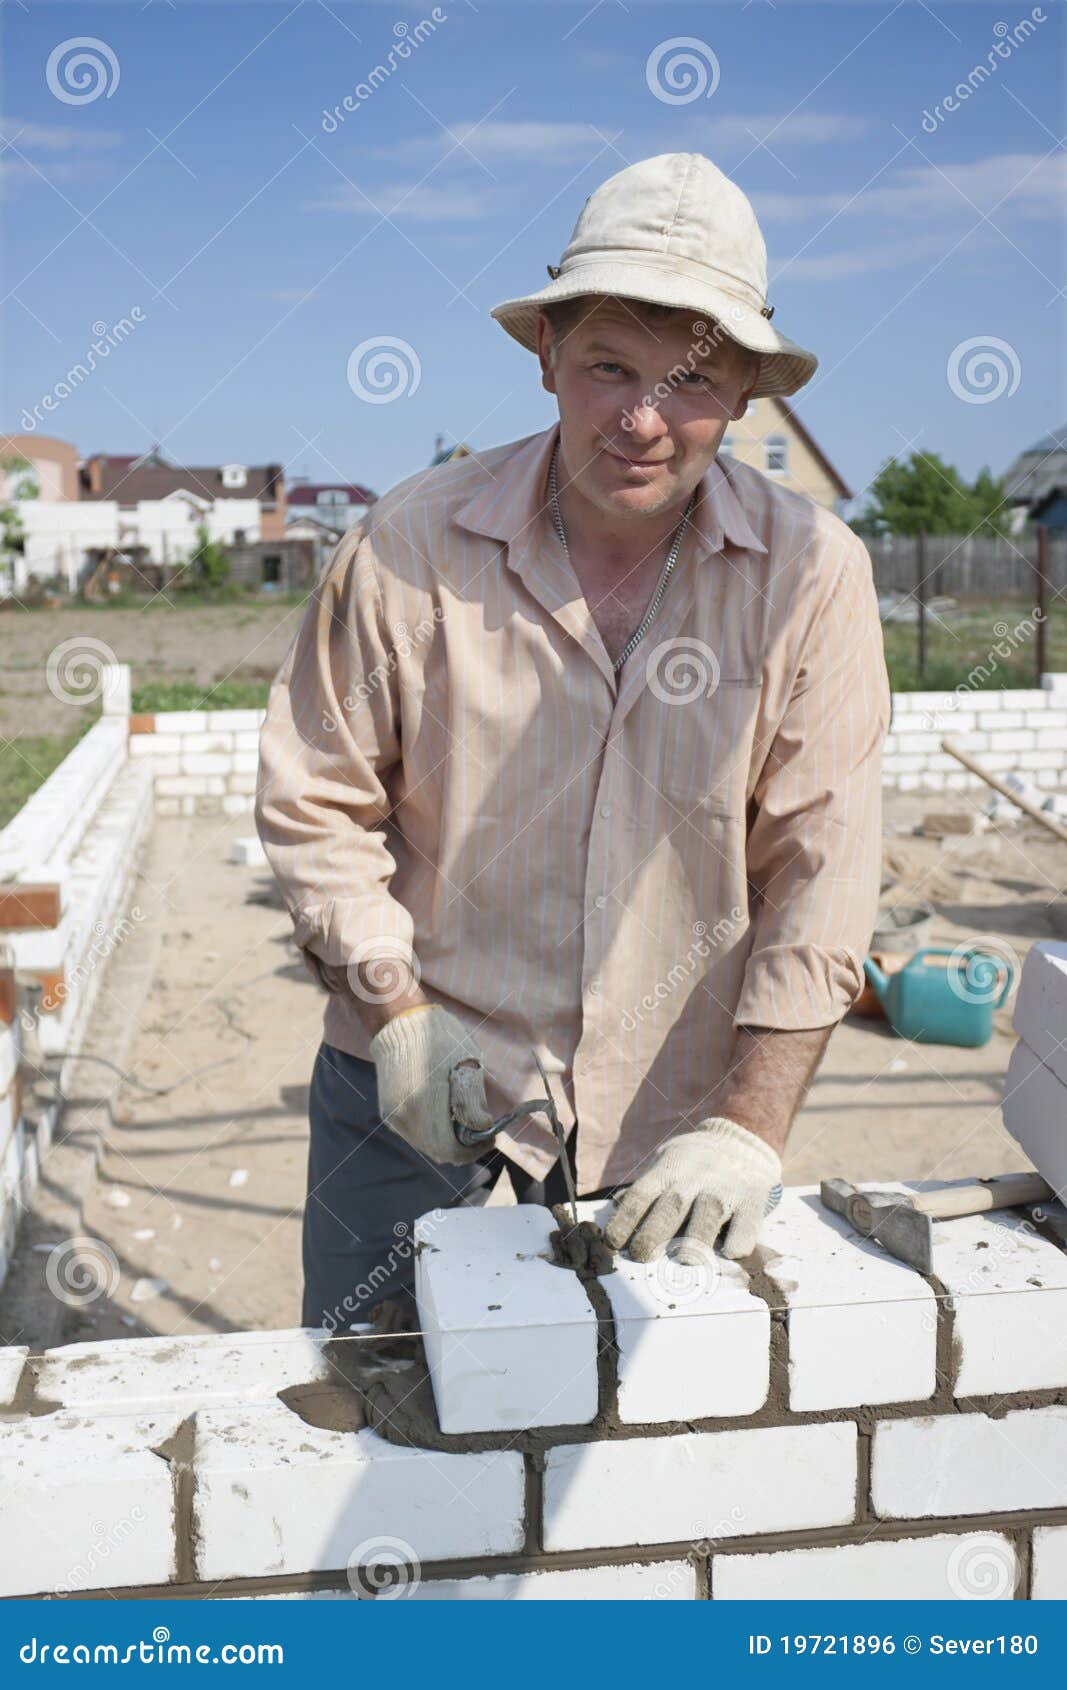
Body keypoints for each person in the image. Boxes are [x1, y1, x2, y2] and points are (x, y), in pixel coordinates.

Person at [256, 151, 889, 1330]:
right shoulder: (408, 546)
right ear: (545, 353)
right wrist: (394, 1008)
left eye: (691, 379)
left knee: (617, 1460)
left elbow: (822, 865)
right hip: (409, 1085)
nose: (642, 419)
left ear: (747, 387)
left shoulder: (812, 575)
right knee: (371, 1399)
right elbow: (316, 803)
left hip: (666, 1114)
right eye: (609, 366)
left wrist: (746, 1131)